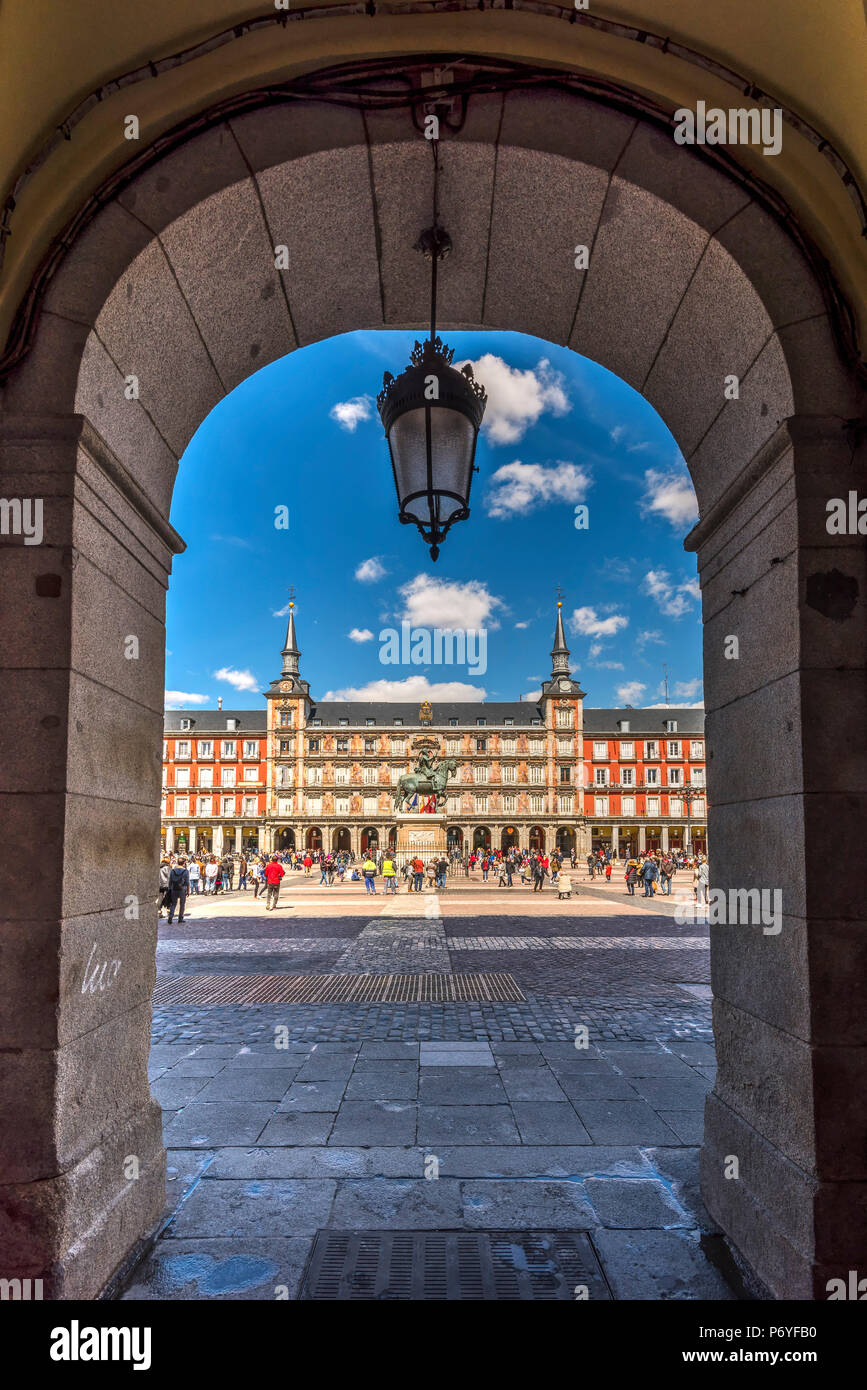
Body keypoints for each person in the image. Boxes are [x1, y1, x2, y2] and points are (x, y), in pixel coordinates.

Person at [167, 856, 190, 924]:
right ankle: (180, 918)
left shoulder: (173, 871)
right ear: (184, 863)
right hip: (182, 889)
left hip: (174, 889)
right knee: (182, 904)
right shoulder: (185, 871)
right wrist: (188, 891)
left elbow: (170, 881)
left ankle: (170, 917)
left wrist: (170, 888)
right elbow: (187, 882)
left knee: (173, 904)